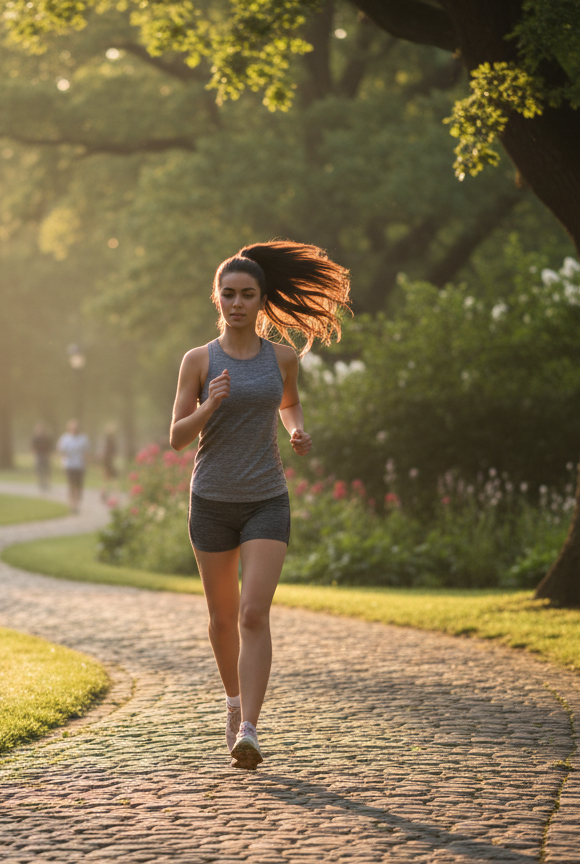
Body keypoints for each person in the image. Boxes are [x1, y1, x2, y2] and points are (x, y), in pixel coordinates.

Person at [169, 240, 351, 770]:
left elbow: (288, 402)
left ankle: (249, 726)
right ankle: (232, 701)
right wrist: (211, 404)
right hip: (211, 501)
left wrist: (295, 430)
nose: (238, 303)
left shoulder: (283, 358)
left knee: (253, 612)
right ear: (216, 299)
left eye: (248, 294)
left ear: (263, 300)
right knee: (222, 619)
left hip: (266, 498)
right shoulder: (199, 360)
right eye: (229, 294)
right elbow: (178, 437)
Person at [57, 419, 90, 513]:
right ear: (69, 428)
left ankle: (77, 504)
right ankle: (72, 505)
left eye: (76, 428)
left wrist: (87, 460)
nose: (74, 429)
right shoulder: (65, 438)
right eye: (73, 428)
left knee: (78, 486)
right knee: (71, 485)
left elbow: (86, 452)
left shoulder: (83, 438)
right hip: (69, 465)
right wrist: (63, 454)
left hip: (80, 465)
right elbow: (60, 450)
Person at [31, 422, 55, 492]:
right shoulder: (35, 438)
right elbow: (33, 447)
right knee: (39, 471)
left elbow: (50, 446)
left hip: (46, 455)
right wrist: (35, 454)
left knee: (46, 470)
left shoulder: (47, 438)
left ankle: (46, 483)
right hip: (39, 455)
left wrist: (49, 454)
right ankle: (41, 483)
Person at [99, 423, 118, 502]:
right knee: (110, 478)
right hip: (108, 462)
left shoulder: (109, 441)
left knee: (108, 478)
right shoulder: (109, 441)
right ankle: (109, 494)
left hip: (108, 462)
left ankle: (107, 493)